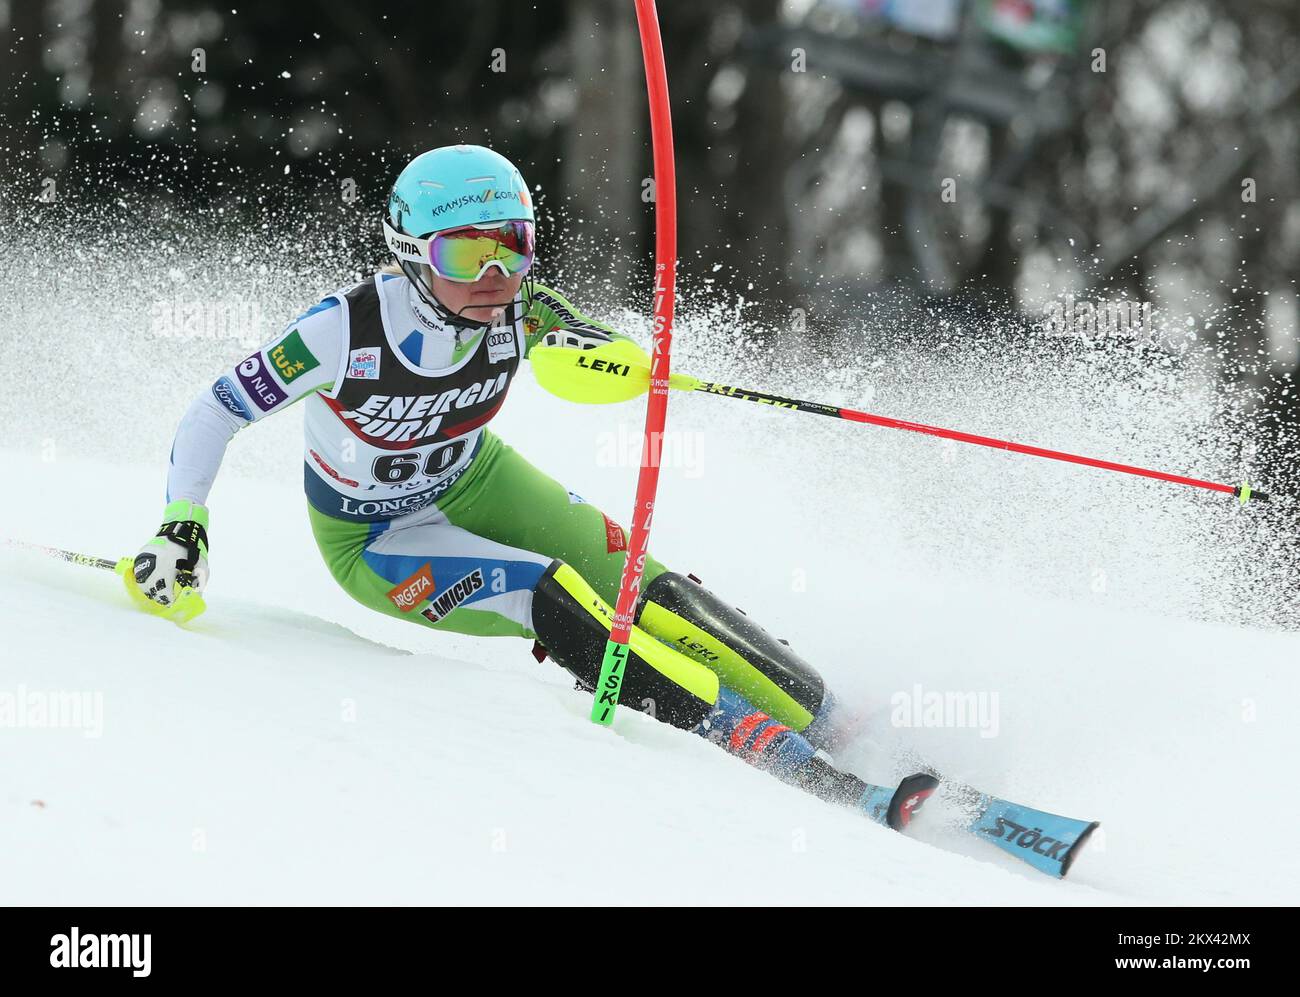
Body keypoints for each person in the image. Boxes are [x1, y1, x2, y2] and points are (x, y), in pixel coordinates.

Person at [132, 144, 895, 815]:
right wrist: (182, 521)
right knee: (551, 591)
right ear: (411, 255)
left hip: (476, 477)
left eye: (513, 246)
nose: (495, 275)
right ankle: (766, 749)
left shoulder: (522, 309)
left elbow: (590, 352)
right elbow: (216, 409)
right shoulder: (341, 331)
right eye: (465, 256)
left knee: (638, 576)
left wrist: (635, 370)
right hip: (375, 537)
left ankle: (826, 716)